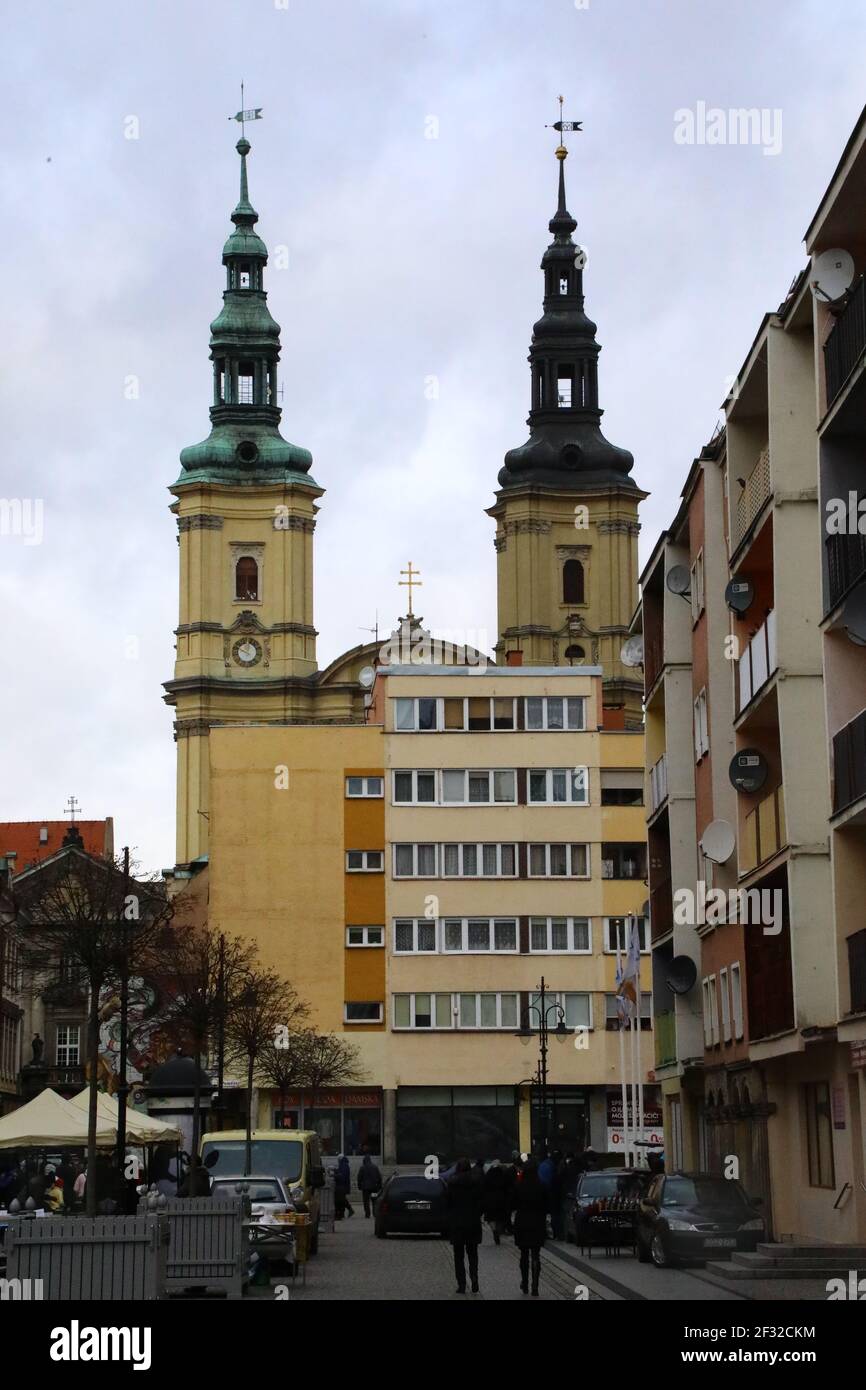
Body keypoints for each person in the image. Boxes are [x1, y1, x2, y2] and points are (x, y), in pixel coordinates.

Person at [444, 1158, 483, 1294]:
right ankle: (474, 1278)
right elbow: (481, 1203)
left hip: (457, 1223)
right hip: (472, 1222)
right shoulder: (476, 1183)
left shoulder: (452, 1183)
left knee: (458, 1255)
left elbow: (447, 1202)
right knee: (473, 1254)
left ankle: (461, 1284)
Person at [511, 1157, 549, 1297]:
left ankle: (525, 1282)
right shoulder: (542, 1186)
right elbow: (547, 1205)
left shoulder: (518, 1186)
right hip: (537, 1222)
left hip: (522, 1222)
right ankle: (535, 1285)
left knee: (524, 1254)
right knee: (536, 1255)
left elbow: (513, 1204)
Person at [482, 1161, 509, 1245]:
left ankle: (494, 1230)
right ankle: (498, 1230)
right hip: (501, 1200)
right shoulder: (503, 1176)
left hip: (490, 1200)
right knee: (500, 1218)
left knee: (491, 1218)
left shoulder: (488, 1176)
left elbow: (483, 1188)